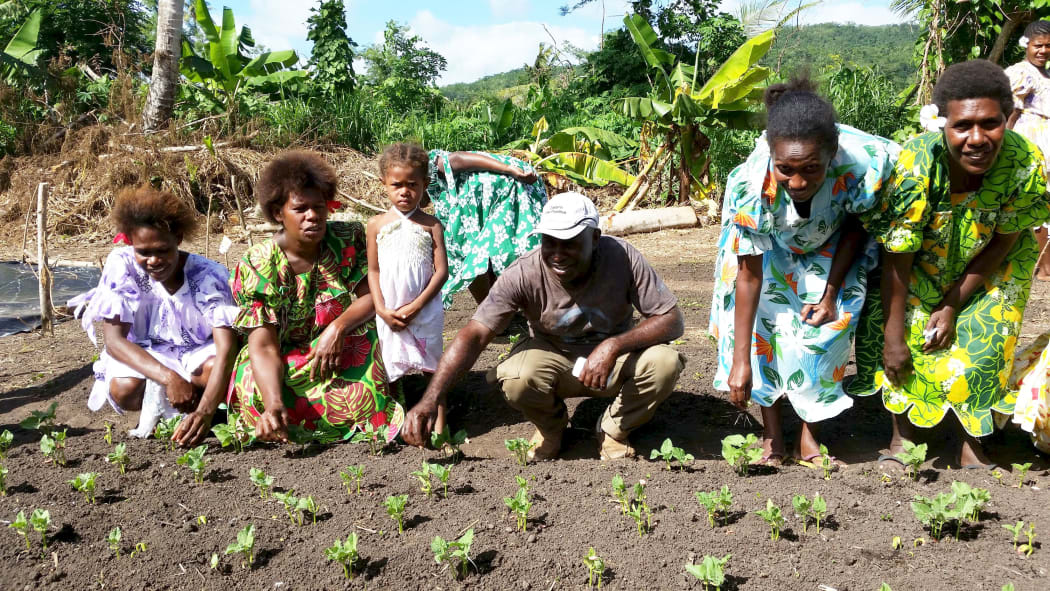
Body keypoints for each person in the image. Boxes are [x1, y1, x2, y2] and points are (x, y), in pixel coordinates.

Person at [851, 60, 1050, 469]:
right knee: (903, 333)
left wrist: (954, 303)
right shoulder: (916, 165)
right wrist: (893, 338)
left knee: (988, 335)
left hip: (994, 261)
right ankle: (902, 436)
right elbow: (898, 256)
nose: (977, 138)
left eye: (991, 124)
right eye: (962, 126)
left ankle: (971, 442)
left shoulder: (1024, 161)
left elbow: (1004, 239)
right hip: (915, 263)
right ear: (943, 124)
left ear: (1007, 118)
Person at [400, 191, 686, 461]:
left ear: (595, 238)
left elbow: (672, 319)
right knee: (516, 377)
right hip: (553, 354)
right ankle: (552, 430)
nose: (558, 254)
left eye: (571, 242)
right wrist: (430, 399)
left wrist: (613, 345)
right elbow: (474, 334)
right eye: (550, 241)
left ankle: (613, 429)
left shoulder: (623, 258)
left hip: (614, 361)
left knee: (664, 362)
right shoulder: (524, 272)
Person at [709, 77, 900, 467]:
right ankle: (773, 437)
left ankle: (809, 439)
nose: (797, 182)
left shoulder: (861, 164)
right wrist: (740, 362)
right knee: (767, 331)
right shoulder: (752, 184)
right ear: (772, 156)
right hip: (765, 247)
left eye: (811, 169)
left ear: (831, 157)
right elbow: (748, 277)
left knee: (823, 333)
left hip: (833, 243)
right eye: (786, 170)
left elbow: (856, 225)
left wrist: (829, 294)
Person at [227, 151, 403, 443]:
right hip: (283, 360)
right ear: (277, 213)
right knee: (257, 393)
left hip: (339, 353)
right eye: (300, 209)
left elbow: (372, 297)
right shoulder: (258, 264)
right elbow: (262, 344)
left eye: (319, 207)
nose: (313, 216)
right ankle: (277, 414)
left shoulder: (346, 240)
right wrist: (273, 402)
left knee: (370, 347)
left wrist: (337, 329)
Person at [69, 185, 238, 446]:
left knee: (217, 368)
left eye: (162, 250)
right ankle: (172, 405)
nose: (153, 261)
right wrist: (170, 379)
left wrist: (203, 413)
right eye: (143, 252)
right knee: (124, 388)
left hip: (197, 353)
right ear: (130, 243)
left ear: (178, 239)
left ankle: (206, 412)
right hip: (147, 351)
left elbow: (227, 349)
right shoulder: (121, 266)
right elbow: (114, 342)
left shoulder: (207, 276)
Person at [366, 143, 448, 427]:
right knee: (389, 366)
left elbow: (441, 273)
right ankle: (392, 423)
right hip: (388, 310)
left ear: (425, 184)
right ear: (384, 184)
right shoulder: (376, 225)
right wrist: (381, 309)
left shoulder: (432, 225)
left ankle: (439, 425)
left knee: (434, 366)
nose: (404, 191)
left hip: (424, 310)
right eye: (396, 185)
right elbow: (373, 271)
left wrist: (416, 306)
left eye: (412, 184)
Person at [427, 149, 546, 306]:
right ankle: (495, 309)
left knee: (483, 252)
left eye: (411, 185)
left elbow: (458, 158)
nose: (405, 191)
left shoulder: (430, 165)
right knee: (477, 251)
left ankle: (496, 310)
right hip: (483, 198)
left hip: (510, 183)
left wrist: (510, 170)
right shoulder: (421, 181)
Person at [1006, 20, 1050, 280]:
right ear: (1026, 45)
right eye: (1038, 45)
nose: (1043, 51)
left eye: (1047, 46)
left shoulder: (1045, 75)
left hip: (1046, 147)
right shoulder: (1021, 72)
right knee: (1034, 204)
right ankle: (1042, 269)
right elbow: (1009, 113)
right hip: (1030, 148)